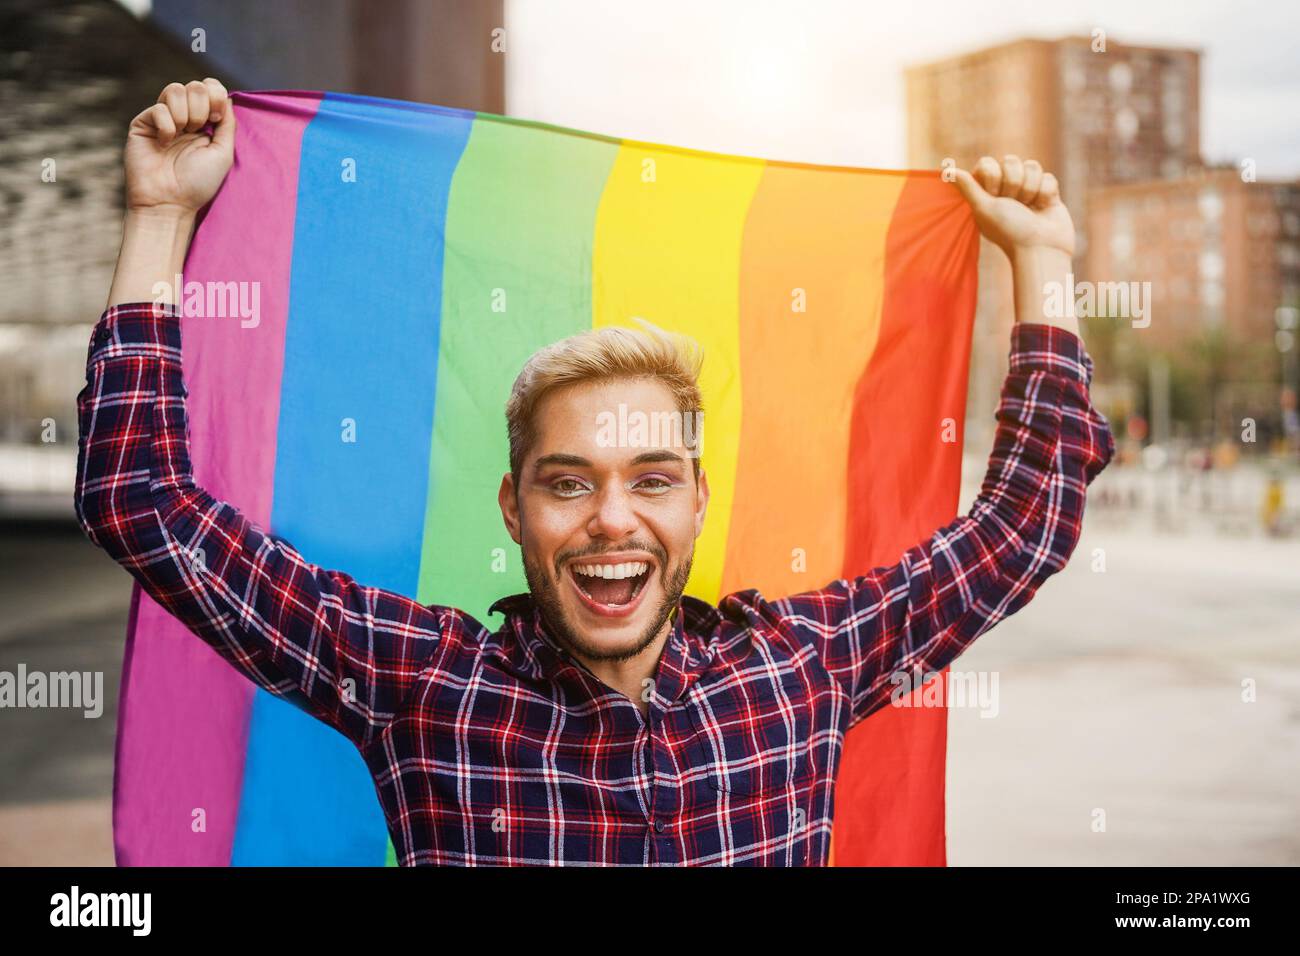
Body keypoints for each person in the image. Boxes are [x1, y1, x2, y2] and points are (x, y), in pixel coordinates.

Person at [75, 78, 1115, 866]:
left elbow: (1025, 525)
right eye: (568, 480)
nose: (612, 517)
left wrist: (1041, 262)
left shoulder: (804, 668)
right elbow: (141, 500)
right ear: (514, 508)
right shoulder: (424, 685)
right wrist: (163, 215)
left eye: (652, 477)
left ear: (697, 501)